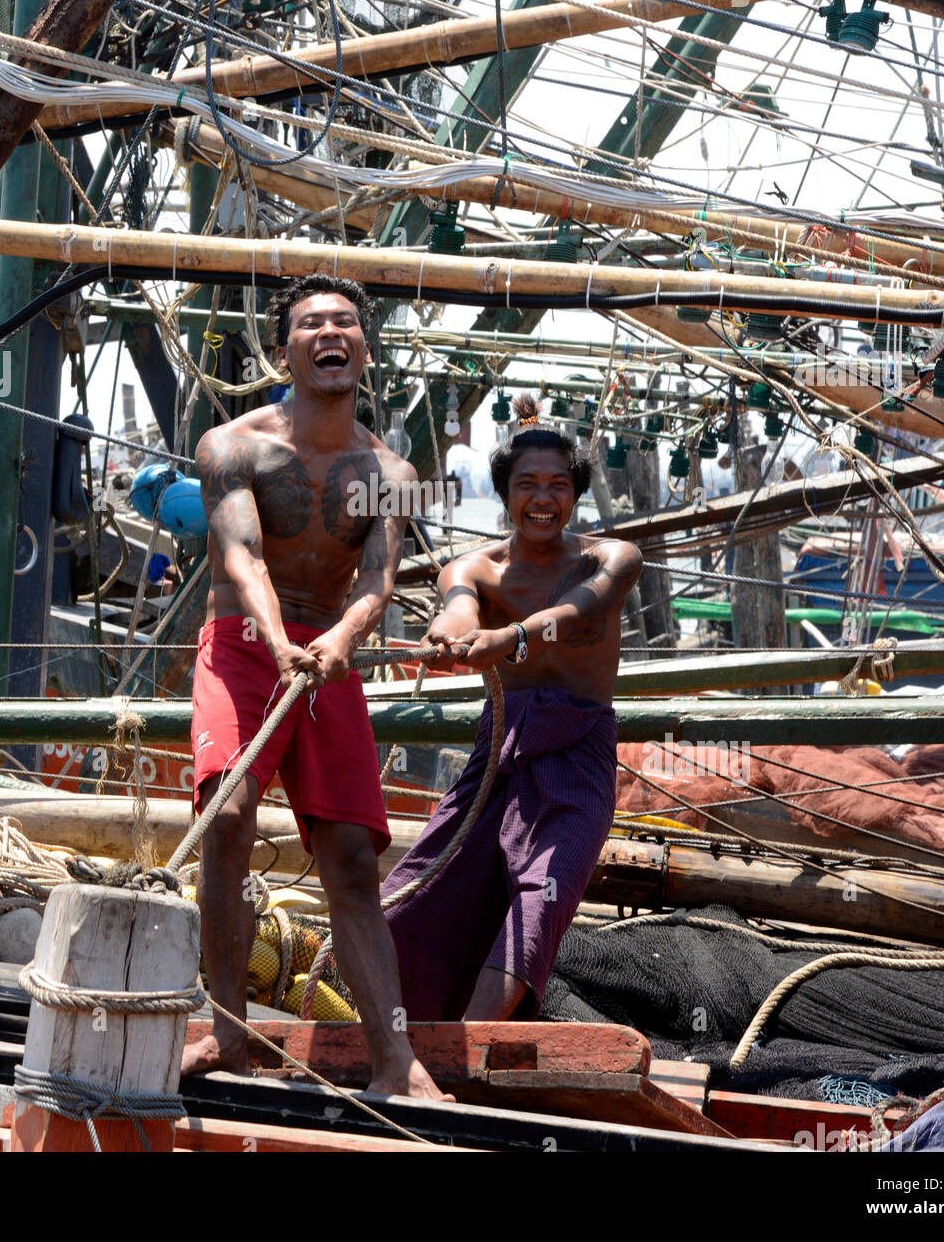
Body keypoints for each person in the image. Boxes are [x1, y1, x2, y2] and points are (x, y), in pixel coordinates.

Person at [179, 272, 448, 1100]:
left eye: (345, 324)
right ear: (284, 347)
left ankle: (396, 1059)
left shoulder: (388, 468)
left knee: (351, 861)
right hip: (243, 643)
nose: (330, 335)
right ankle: (227, 1033)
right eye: (311, 325)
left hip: (328, 654)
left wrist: (338, 637)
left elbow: (376, 578)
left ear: (364, 348)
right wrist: (277, 636)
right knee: (226, 817)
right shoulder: (235, 446)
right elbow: (239, 556)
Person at [381, 393, 642, 1021]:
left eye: (558, 485)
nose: (543, 500)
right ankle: (395, 1034)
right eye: (528, 485)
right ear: (505, 493)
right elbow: (460, 604)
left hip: (579, 756)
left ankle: (464, 1056)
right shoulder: (473, 566)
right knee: (421, 890)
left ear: (576, 495)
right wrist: (456, 628)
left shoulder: (612, 558)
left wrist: (513, 637)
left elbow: (578, 608)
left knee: (540, 899)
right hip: (496, 750)